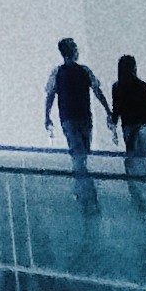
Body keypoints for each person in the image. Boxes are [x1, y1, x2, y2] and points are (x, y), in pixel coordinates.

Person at [45, 37, 106, 214]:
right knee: (82, 154)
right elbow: (97, 91)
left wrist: (47, 116)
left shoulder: (57, 72)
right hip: (83, 117)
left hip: (69, 117)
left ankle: (83, 191)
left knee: (78, 154)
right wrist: (108, 110)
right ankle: (86, 193)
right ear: (73, 51)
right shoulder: (84, 71)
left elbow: (50, 95)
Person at [109, 51, 146, 178]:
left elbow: (116, 108)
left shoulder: (117, 87)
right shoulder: (142, 86)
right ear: (134, 68)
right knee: (143, 156)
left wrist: (113, 123)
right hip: (143, 126)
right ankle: (144, 180)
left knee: (132, 154)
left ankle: (134, 183)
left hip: (128, 126)